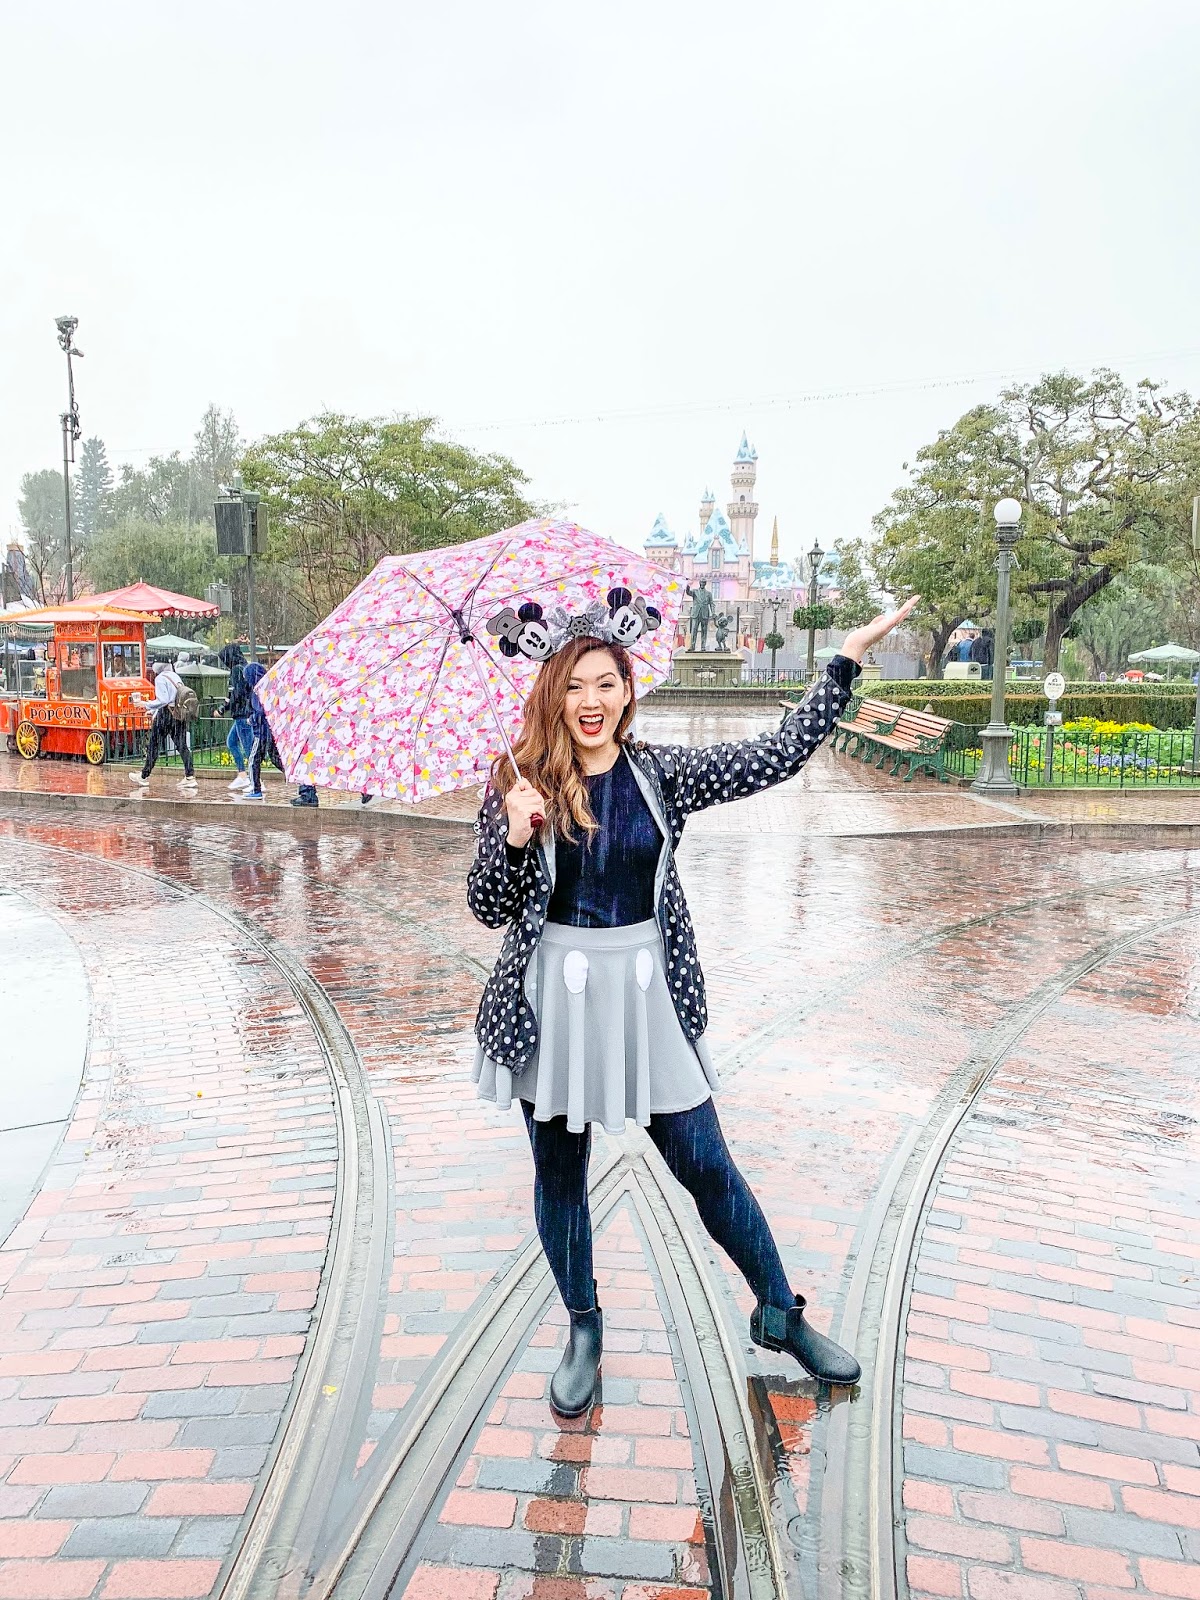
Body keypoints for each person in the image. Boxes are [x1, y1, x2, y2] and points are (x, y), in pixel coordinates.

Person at [467, 588, 919, 1416]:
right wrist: (516, 835)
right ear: (551, 693)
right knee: (560, 1176)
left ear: (627, 691)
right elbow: (487, 906)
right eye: (574, 686)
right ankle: (584, 1327)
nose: (591, 701)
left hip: (646, 994)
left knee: (705, 1162)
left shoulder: (658, 773)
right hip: (552, 1004)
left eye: (606, 683)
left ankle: (779, 1312)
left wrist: (846, 659)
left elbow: (776, 755)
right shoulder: (517, 782)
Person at [235, 661, 319, 807]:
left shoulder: (260, 690)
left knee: (255, 759)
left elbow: (262, 712)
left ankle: (256, 789)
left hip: (263, 731)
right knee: (280, 761)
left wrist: (251, 719)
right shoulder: (271, 687)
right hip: (273, 732)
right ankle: (305, 787)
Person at [130, 662, 196, 793]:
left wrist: (145, 704)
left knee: (154, 744)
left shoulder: (160, 678)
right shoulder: (175, 676)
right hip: (178, 714)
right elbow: (173, 698)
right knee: (182, 745)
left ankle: (144, 776)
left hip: (166, 715)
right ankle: (190, 776)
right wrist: (153, 711)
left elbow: (164, 700)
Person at [216, 643, 255, 793]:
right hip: (243, 712)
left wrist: (224, 709)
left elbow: (236, 694)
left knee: (248, 747)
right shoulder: (243, 668)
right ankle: (242, 775)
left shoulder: (237, 670)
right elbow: (234, 694)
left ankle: (255, 780)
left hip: (242, 714)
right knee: (231, 742)